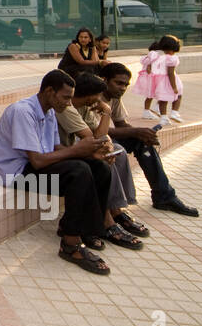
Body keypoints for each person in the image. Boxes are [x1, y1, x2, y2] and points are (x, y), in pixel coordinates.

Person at [0, 69, 117, 275]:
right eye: (65, 97)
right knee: (78, 171)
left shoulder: (49, 111)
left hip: (36, 165)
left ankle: (85, 228)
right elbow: (38, 161)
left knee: (100, 167)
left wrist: (90, 154)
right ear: (49, 91)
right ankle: (70, 244)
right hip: (17, 173)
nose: (69, 103)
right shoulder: (23, 111)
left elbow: (54, 148)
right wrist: (78, 152)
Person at [56, 73, 145, 248]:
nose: (99, 99)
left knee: (117, 151)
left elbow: (101, 137)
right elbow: (94, 139)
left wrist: (108, 143)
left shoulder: (85, 108)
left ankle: (116, 209)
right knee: (101, 163)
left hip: (75, 148)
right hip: (63, 151)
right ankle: (107, 219)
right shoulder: (67, 109)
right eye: (98, 95)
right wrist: (106, 113)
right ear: (90, 95)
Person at [99, 61, 199, 217]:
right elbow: (97, 132)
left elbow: (121, 124)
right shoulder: (94, 96)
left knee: (143, 142)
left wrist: (144, 134)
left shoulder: (114, 97)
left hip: (105, 139)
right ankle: (115, 206)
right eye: (118, 83)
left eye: (126, 85)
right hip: (94, 142)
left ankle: (164, 196)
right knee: (122, 147)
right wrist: (137, 131)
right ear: (104, 80)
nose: (123, 88)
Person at [137, 34, 184, 123]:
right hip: (169, 80)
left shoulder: (155, 55)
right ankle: (174, 112)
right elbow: (170, 73)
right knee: (178, 95)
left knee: (163, 99)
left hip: (159, 81)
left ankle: (163, 118)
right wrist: (174, 87)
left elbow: (148, 64)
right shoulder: (171, 59)